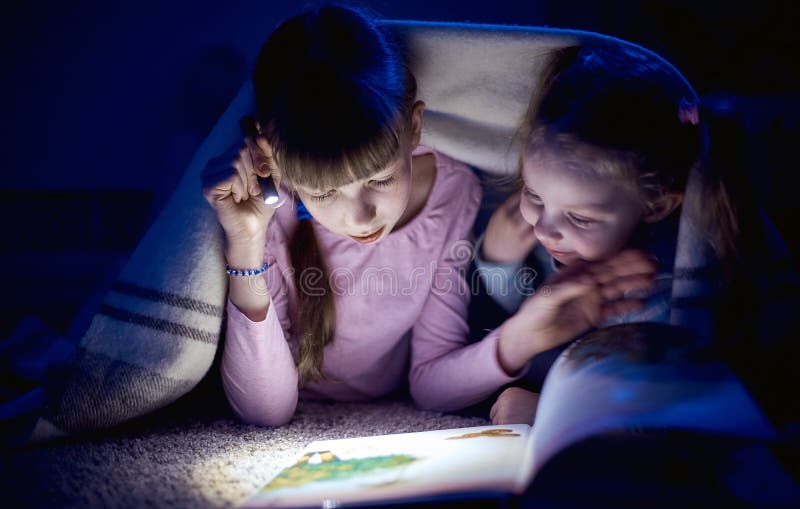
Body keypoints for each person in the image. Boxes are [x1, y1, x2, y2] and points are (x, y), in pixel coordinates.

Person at [202, 5, 656, 427]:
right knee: (187, 155)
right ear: (271, 157)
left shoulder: (453, 189)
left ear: (414, 128)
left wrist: (518, 339)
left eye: (380, 180)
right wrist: (245, 242)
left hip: (390, 384)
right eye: (323, 193)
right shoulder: (270, 209)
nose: (360, 217)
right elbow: (267, 411)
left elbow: (430, 386)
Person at [478, 45, 744, 425]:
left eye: (580, 218)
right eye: (533, 194)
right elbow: (537, 309)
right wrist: (498, 261)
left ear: (655, 207)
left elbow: (667, 417)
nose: (543, 228)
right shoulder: (558, 236)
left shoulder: (658, 293)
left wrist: (548, 415)